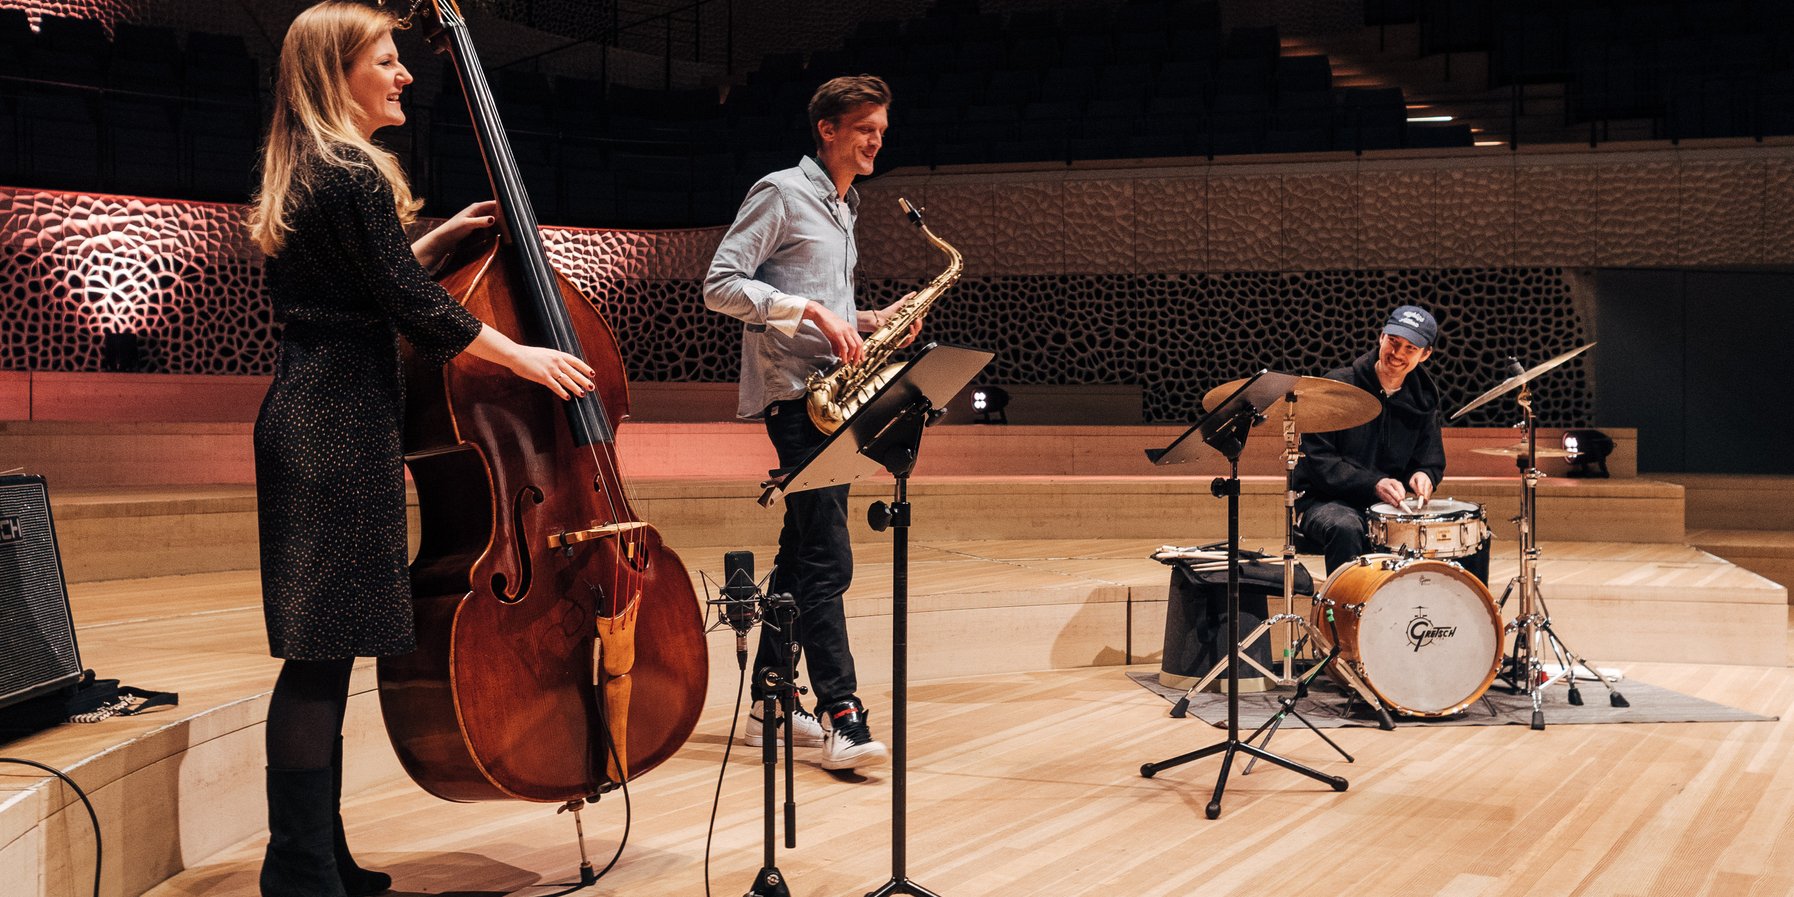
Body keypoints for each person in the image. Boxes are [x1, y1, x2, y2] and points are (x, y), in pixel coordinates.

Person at [247, 4, 594, 895]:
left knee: (323, 653)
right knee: (320, 659)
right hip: (337, 431)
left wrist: (433, 243)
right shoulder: (354, 175)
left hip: (317, 422)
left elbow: (375, 278)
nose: (404, 73)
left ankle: (319, 857)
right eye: (386, 59)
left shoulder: (313, 170)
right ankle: (298, 872)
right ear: (339, 73)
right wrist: (522, 353)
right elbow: (418, 309)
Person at [703, 75, 918, 772]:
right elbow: (721, 283)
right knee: (829, 555)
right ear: (827, 129)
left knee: (802, 552)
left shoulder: (843, 206)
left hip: (833, 395)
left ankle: (770, 692)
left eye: (882, 128)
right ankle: (841, 711)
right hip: (796, 398)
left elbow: (822, 300)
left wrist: (870, 320)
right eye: (865, 127)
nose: (877, 138)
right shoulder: (780, 192)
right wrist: (814, 314)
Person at [1295, 305, 1491, 585]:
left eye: (1410, 348)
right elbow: (1319, 461)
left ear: (1425, 355)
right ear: (1381, 337)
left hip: (1389, 507)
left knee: (1472, 529)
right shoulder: (1337, 387)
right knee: (1347, 526)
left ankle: (1464, 620)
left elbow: (1430, 460)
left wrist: (1425, 476)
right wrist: (1374, 483)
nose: (1397, 354)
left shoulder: (1423, 398)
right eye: (1394, 342)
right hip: (1323, 501)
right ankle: (1342, 619)